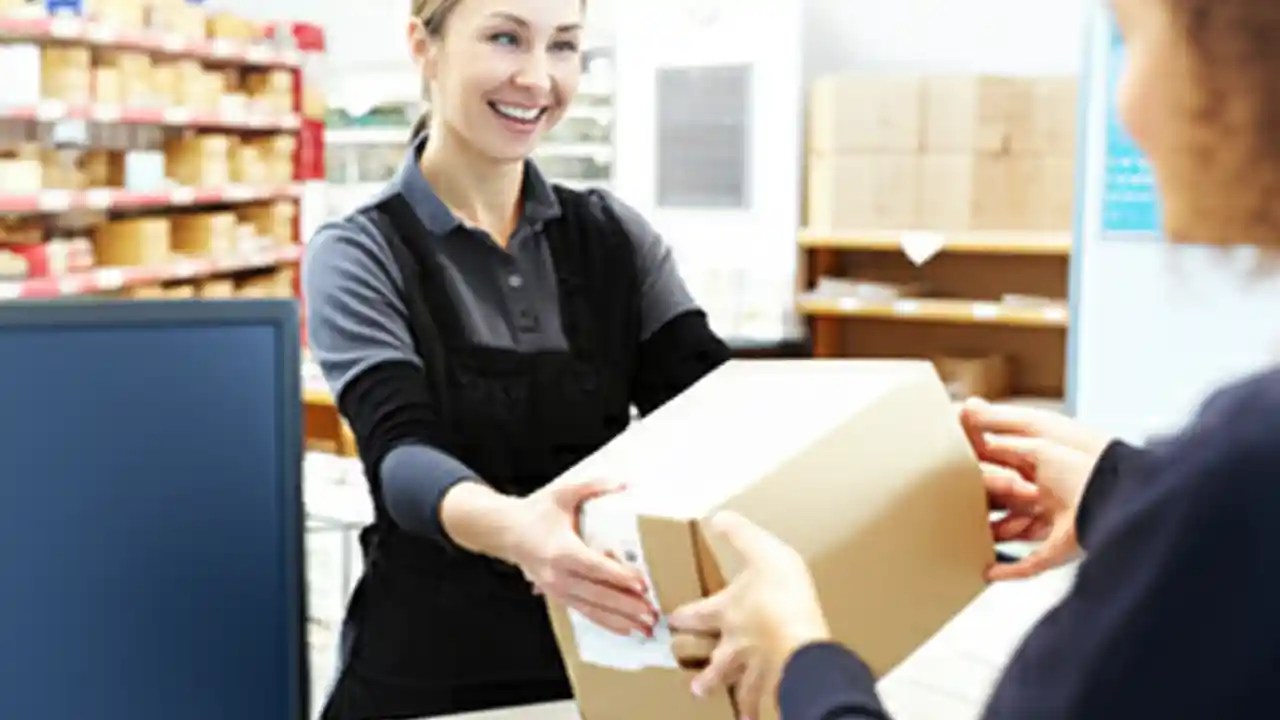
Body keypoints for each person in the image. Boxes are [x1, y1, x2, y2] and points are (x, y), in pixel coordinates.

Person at [669, 0, 1280, 717]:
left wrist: (797, 664)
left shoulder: (1246, 463)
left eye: (1134, 43)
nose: (1126, 109)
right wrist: (1126, 488)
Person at [302, 0, 730, 717]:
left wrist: (901, 447)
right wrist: (519, 532)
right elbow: (402, 455)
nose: (538, 78)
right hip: (430, 673)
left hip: (613, 655)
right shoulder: (360, 252)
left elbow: (714, 404)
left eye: (564, 46)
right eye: (506, 38)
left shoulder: (613, 237)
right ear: (424, 46)